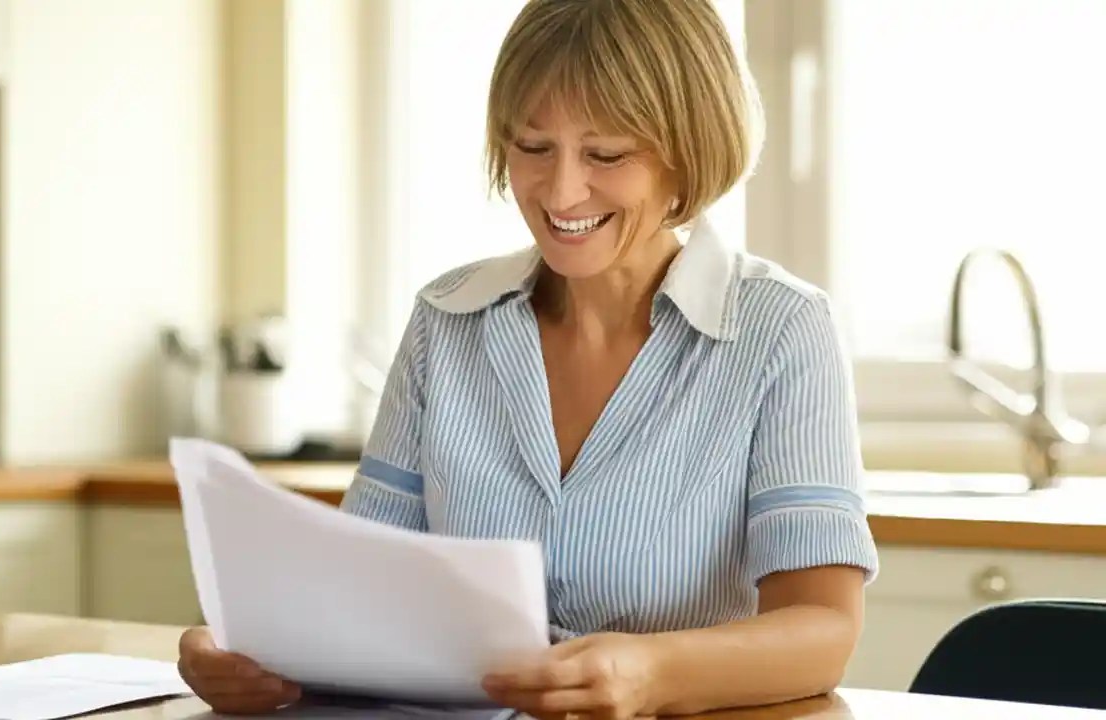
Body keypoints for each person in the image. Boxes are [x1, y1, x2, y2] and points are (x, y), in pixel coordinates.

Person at [177, 0, 879, 717]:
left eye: (605, 154)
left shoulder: (783, 331)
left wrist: (651, 673)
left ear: (690, 152)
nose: (561, 191)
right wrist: (247, 644)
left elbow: (821, 630)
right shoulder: (446, 323)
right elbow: (360, 586)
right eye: (533, 148)